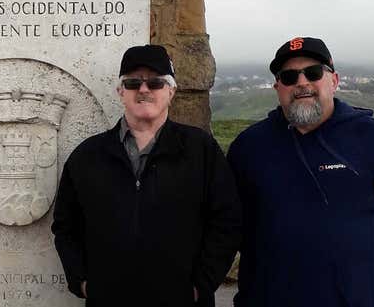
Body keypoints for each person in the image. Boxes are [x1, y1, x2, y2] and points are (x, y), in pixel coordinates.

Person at [227, 36, 374, 307]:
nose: (302, 83)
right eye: (289, 77)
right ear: (277, 87)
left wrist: (364, 271)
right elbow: (229, 224)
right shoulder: (248, 147)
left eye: (313, 72)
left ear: (334, 80)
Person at [52, 44, 241, 307]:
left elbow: (226, 222)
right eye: (132, 83)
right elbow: (65, 226)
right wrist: (82, 282)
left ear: (171, 91)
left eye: (155, 82)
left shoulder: (201, 150)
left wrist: (200, 286)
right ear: (121, 92)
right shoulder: (87, 156)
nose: (143, 89)